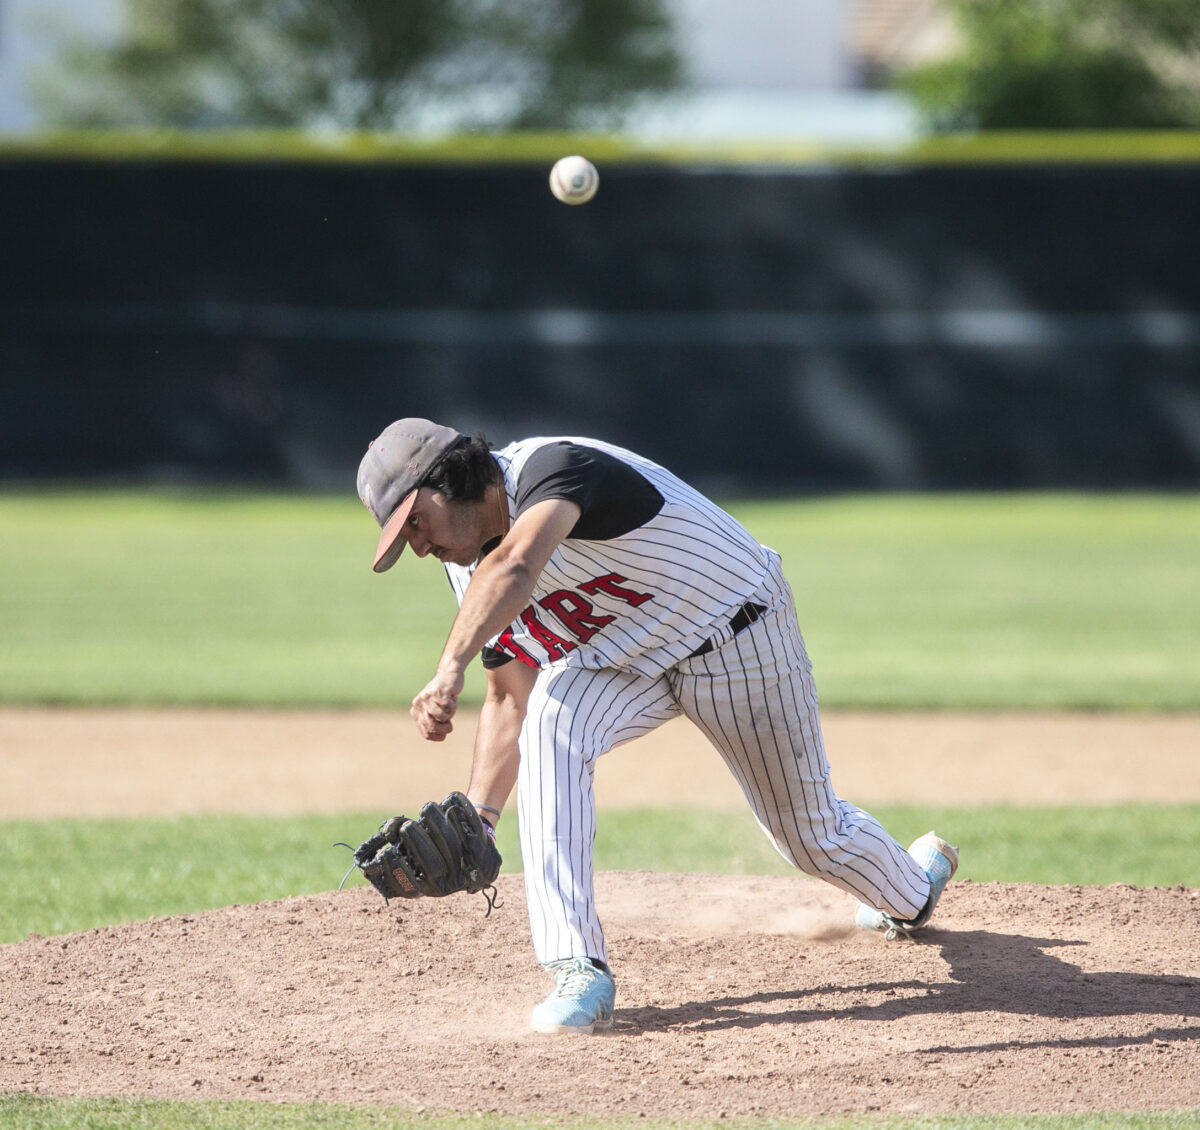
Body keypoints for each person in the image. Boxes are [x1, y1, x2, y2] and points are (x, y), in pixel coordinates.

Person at [356, 417, 958, 1035]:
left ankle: (911, 890)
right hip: (621, 663)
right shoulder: (465, 570)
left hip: (736, 633)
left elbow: (517, 566)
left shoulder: (553, 468)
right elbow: (512, 694)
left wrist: (448, 665)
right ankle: (577, 969)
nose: (418, 547)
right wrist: (481, 818)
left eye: (415, 523)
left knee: (808, 835)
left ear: (446, 480)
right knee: (550, 726)